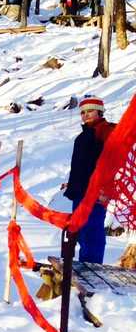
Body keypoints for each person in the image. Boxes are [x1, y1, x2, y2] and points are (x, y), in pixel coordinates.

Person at [63, 96, 116, 262]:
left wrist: (106, 188)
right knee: (81, 232)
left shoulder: (107, 130)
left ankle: (93, 269)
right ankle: (85, 267)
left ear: (99, 112)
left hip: (96, 192)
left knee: (92, 231)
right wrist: (71, 184)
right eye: (83, 112)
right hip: (80, 191)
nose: (86, 115)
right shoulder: (82, 137)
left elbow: (113, 161)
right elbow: (81, 166)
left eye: (90, 111)